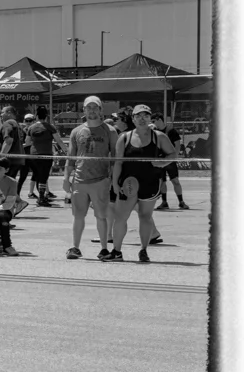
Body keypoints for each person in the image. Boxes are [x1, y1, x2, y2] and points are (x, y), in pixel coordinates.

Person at [114, 105, 178, 265]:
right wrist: (115, 182)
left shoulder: (159, 137)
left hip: (150, 183)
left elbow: (173, 154)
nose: (142, 119)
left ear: (150, 118)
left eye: (146, 115)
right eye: (138, 116)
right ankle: (116, 251)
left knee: (145, 217)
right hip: (128, 184)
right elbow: (118, 162)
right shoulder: (124, 137)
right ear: (133, 119)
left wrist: (163, 163)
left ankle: (143, 250)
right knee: (121, 217)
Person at [65, 96, 120, 261]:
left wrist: (113, 179)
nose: (92, 110)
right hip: (80, 180)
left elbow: (115, 157)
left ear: (101, 110)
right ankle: (75, 247)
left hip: (100, 179)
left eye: (95, 107)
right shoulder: (77, 131)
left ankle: (104, 248)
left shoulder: (109, 130)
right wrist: (66, 177)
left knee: (101, 216)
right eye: (88, 107)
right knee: (78, 216)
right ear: (84, 110)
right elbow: (71, 157)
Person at [20, 112, 58, 206]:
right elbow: (58, 140)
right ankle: (39, 196)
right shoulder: (49, 127)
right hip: (38, 155)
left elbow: (27, 141)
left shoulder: (31, 128)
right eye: (26, 120)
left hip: (33, 155)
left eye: (30, 120)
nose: (28, 122)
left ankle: (42, 195)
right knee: (36, 176)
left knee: (38, 176)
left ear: (35, 118)